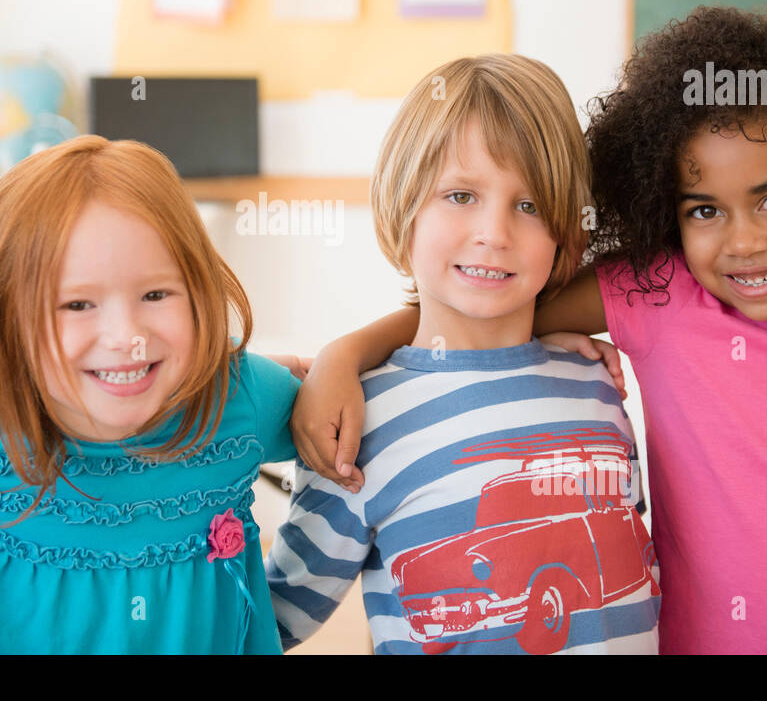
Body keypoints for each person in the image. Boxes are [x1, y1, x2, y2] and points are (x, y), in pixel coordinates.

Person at [294, 8, 767, 653]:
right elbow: (486, 307)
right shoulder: (660, 295)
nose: (745, 240)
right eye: (705, 209)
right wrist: (344, 355)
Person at [0, 135, 306, 652]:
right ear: (7, 321)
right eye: (77, 304)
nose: (128, 336)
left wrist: (350, 355)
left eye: (155, 294)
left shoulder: (239, 396)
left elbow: (366, 396)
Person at [266, 54, 659, 654]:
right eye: (460, 195)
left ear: (563, 234)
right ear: (405, 207)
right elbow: (277, 617)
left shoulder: (594, 380)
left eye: (529, 206)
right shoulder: (358, 416)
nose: (494, 232)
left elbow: (633, 560)